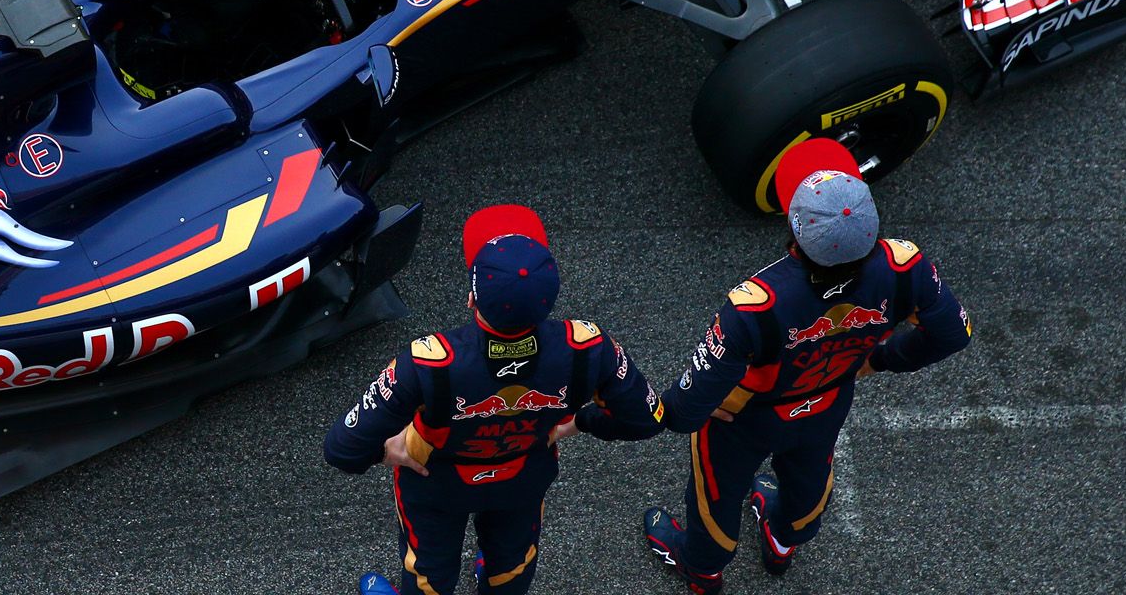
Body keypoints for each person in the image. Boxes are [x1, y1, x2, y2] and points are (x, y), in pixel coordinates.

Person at [643, 139, 973, 592]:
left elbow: (682, 411)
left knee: (716, 496)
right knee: (809, 481)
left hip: (748, 418)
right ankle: (781, 545)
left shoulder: (755, 304)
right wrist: (878, 359)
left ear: (796, 230)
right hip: (827, 401)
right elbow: (954, 332)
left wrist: (674, 405)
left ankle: (702, 570)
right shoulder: (904, 265)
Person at [325, 204, 662, 594]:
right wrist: (579, 422)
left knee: (428, 575)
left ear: (472, 298)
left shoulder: (427, 363)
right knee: (512, 568)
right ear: (549, 299)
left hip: (436, 483)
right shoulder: (590, 348)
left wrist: (387, 451)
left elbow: (343, 449)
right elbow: (645, 419)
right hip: (522, 476)